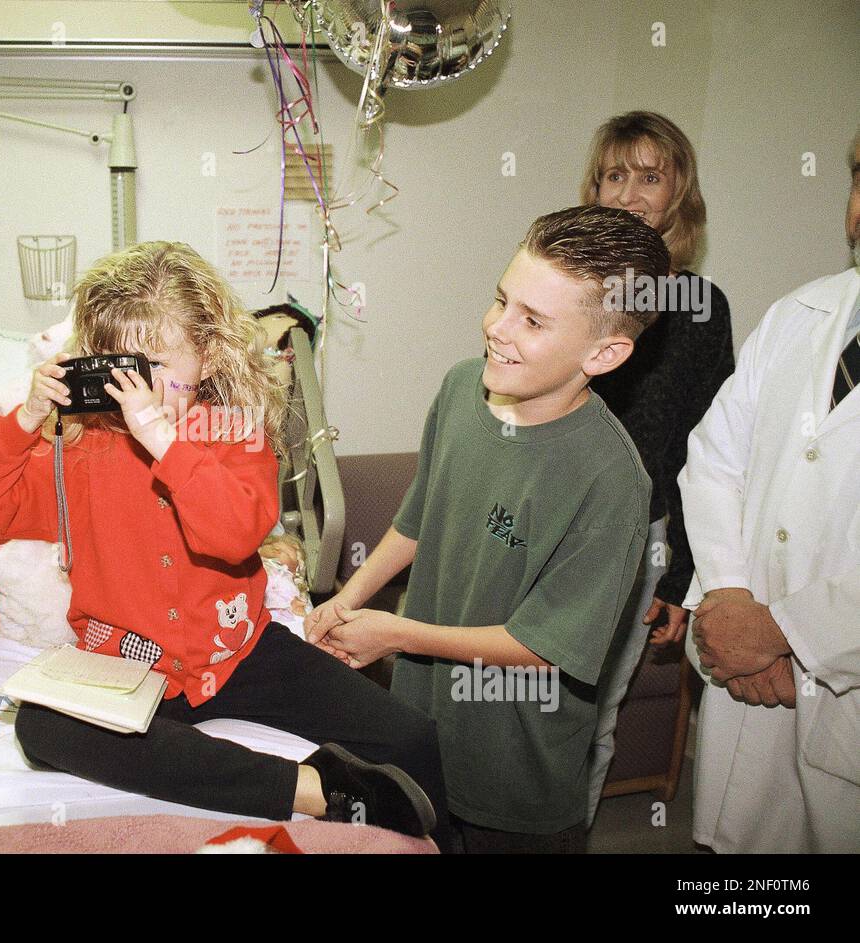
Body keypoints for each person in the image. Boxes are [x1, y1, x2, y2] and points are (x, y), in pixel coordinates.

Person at [0, 241, 447, 840]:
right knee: (42, 730)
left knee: (412, 736)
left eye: (156, 367)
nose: (139, 390)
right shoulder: (77, 448)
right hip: (128, 663)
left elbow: (232, 536)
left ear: (205, 358)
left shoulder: (234, 434)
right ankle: (310, 788)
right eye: (120, 368)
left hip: (239, 652)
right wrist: (23, 420)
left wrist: (161, 437)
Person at [307, 205, 670, 853]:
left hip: (514, 768)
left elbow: (547, 646)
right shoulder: (460, 390)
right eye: (502, 299)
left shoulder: (610, 480)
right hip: (420, 731)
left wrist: (393, 632)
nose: (497, 329)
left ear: (606, 352)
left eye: (533, 320)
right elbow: (418, 518)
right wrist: (348, 597)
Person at [677, 132, 860, 853]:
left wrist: (789, 633)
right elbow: (714, 459)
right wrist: (731, 602)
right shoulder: (800, 316)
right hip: (748, 684)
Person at [578, 111, 735, 823]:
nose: (631, 193)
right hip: (542, 524)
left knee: (591, 722)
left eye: (650, 176)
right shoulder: (565, 289)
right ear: (596, 187)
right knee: (513, 709)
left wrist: (680, 579)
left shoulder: (700, 308)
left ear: (679, 193)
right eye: (616, 175)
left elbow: (706, 449)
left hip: (637, 540)